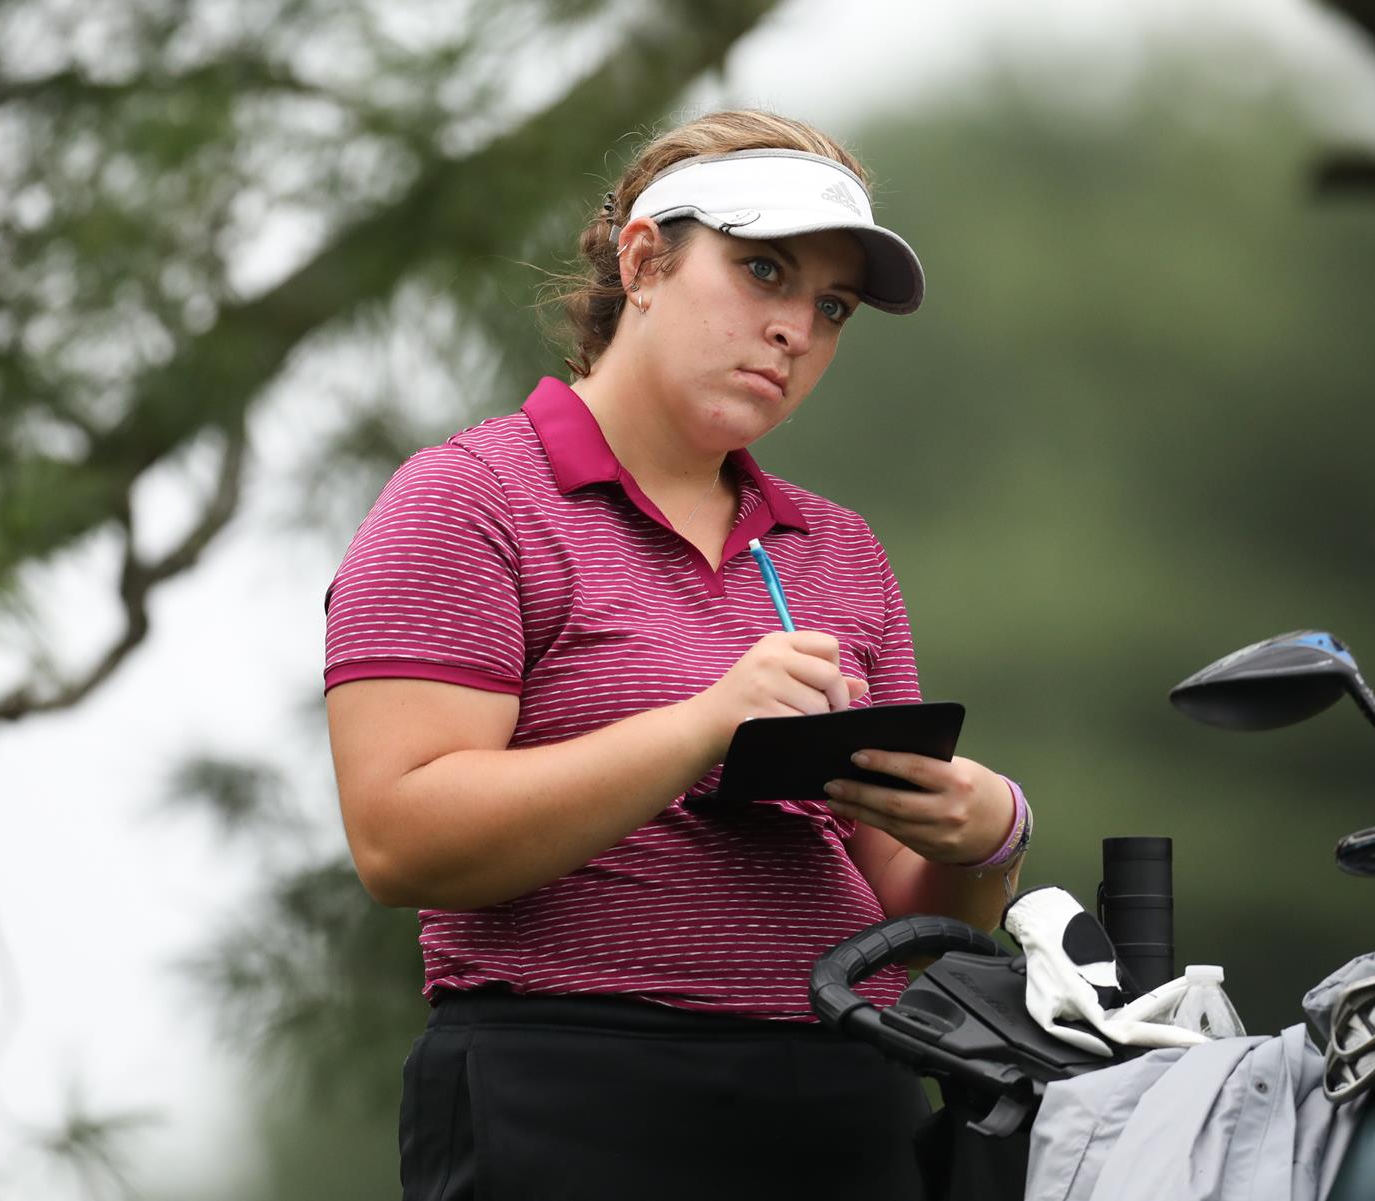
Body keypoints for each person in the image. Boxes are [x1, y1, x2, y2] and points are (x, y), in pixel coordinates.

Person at [323, 109, 1033, 1201]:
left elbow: (913, 923)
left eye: (828, 306)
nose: (794, 327)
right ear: (644, 259)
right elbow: (399, 837)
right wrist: (707, 722)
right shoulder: (468, 501)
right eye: (762, 272)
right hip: (568, 1094)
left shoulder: (835, 547)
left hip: (844, 1098)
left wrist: (982, 840)